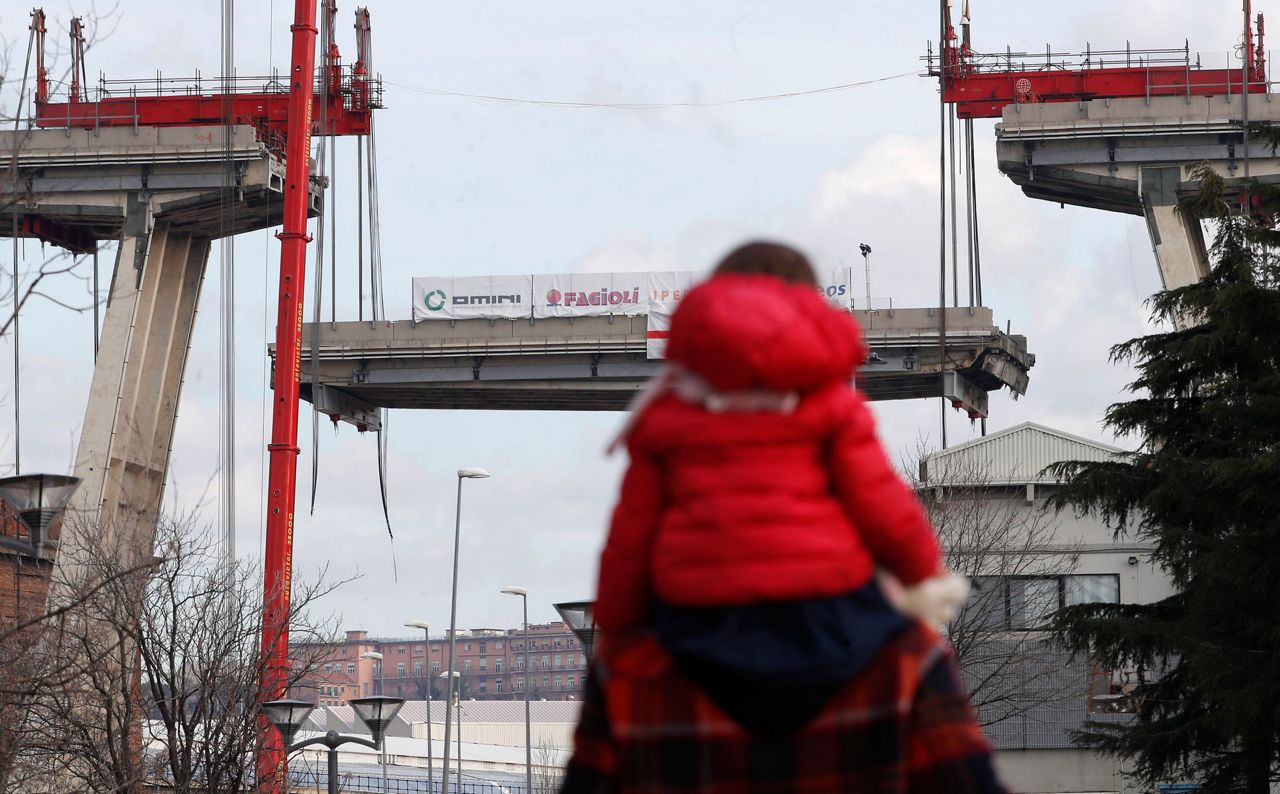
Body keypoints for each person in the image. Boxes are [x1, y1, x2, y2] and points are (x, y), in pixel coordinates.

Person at [562, 241, 1006, 793]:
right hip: (837, 624)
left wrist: (623, 632)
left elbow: (630, 536)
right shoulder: (902, 669)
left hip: (692, 627)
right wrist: (923, 584)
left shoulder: (633, 686)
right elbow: (885, 507)